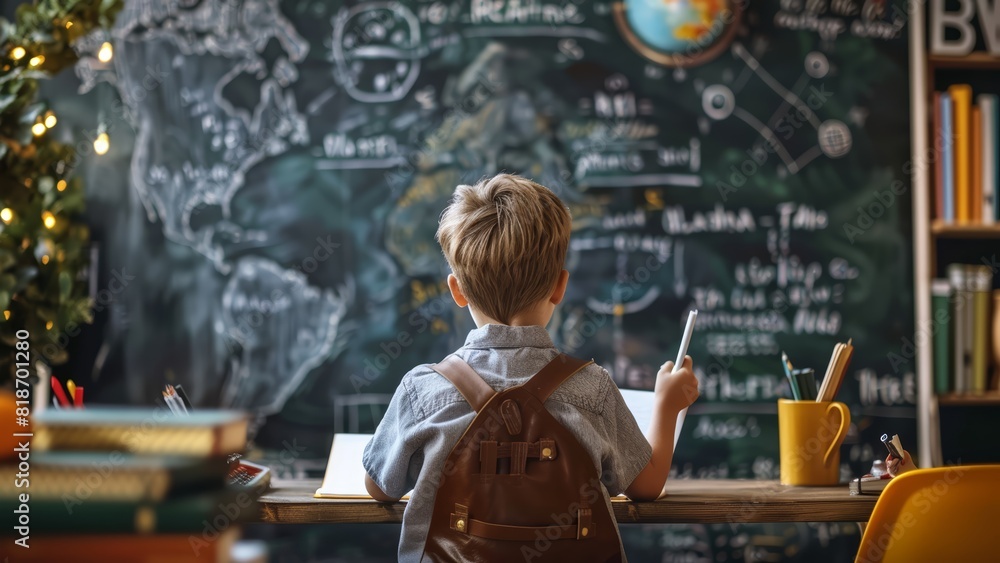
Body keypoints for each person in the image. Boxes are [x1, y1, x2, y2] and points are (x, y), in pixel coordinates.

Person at [363, 173, 700, 561]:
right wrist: (666, 405)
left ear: (457, 290)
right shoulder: (593, 387)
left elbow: (379, 488)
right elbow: (645, 485)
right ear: (560, 287)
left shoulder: (422, 390)